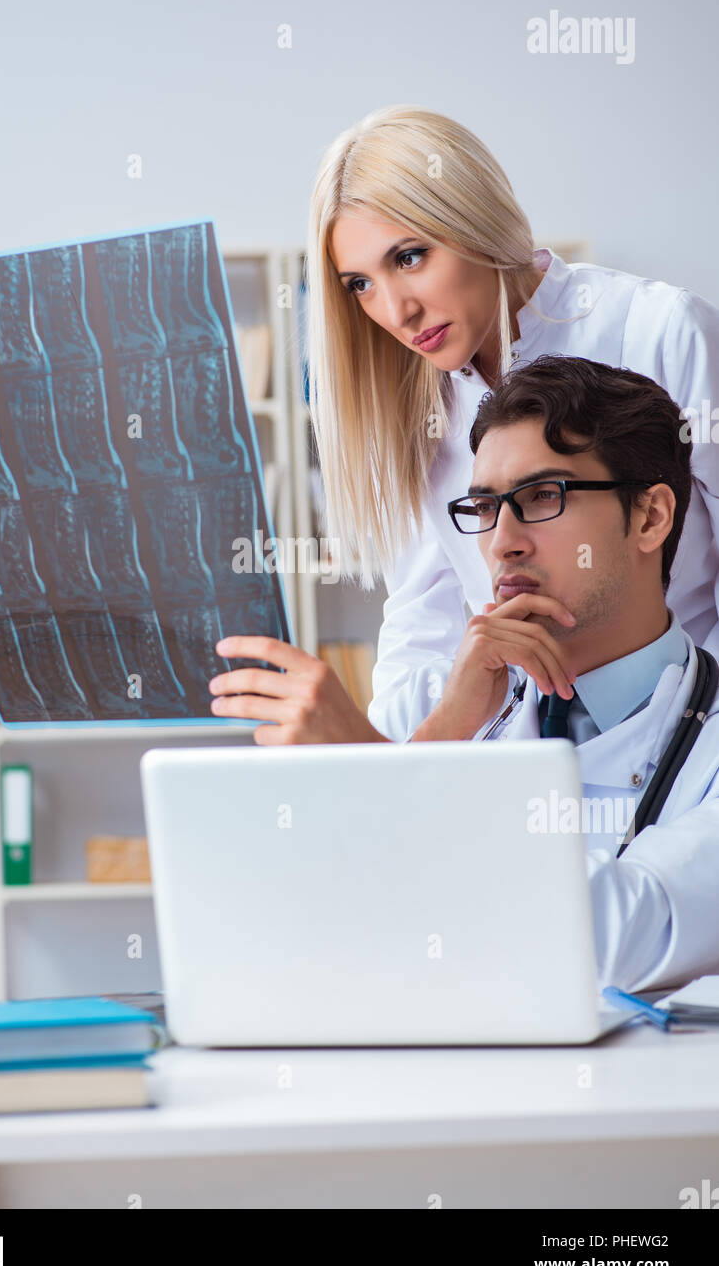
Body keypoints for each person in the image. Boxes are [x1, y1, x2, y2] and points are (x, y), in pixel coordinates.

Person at [210, 357, 719, 991]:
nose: (502, 542)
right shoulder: (435, 707)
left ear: (649, 518)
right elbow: (294, 924)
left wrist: (364, 764)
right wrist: (442, 734)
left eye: (542, 497)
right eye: (484, 506)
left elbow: (613, 938)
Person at [302, 105, 719, 743]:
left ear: (473, 218)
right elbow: (422, 625)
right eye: (360, 284)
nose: (395, 310)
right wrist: (383, 774)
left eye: (410, 257)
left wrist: (701, 748)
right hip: (526, 746)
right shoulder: (417, 412)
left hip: (688, 737)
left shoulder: (661, 330)